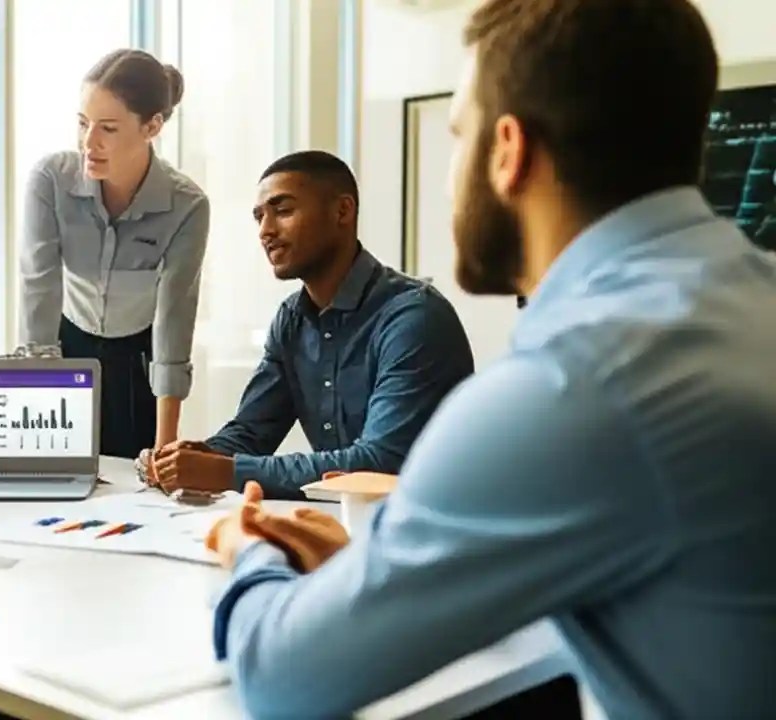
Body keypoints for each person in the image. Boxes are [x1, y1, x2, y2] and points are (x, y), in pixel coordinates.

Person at [208, 1, 776, 718]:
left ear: (508, 151)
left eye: (457, 135)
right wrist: (384, 563)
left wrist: (247, 548)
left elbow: (280, 675)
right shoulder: (746, 301)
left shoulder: (577, 381)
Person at [148, 151, 473, 499]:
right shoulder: (291, 320)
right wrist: (191, 457)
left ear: (342, 211)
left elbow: (379, 463)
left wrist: (228, 472)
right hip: (347, 523)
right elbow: (251, 433)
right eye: (259, 217)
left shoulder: (413, 318)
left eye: (283, 211)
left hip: (437, 531)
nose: (265, 231)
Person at [19, 48, 210, 459]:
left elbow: (174, 318)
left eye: (107, 128)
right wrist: (40, 414)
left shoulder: (187, 205)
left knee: (133, 483)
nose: (89, 143)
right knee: (57, 473)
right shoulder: (50, 181)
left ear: (152, 126)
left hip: (138, 359)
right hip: (66, 343)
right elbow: (40, 289)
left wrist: (166, 446)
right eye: (83, 123)